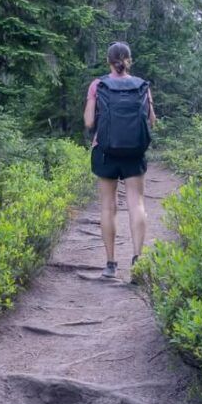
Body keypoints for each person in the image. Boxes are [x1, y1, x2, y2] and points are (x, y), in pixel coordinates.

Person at [84, 42, 156, 279]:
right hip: (134, 152)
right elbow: (151, 120)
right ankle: (137, 261)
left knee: (108, 206)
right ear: (129, 60)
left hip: (105, 151)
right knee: (137, 204)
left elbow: (88, 123)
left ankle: (111, 265)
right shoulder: (141, 86)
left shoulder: (98, 85)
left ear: (108, 60)